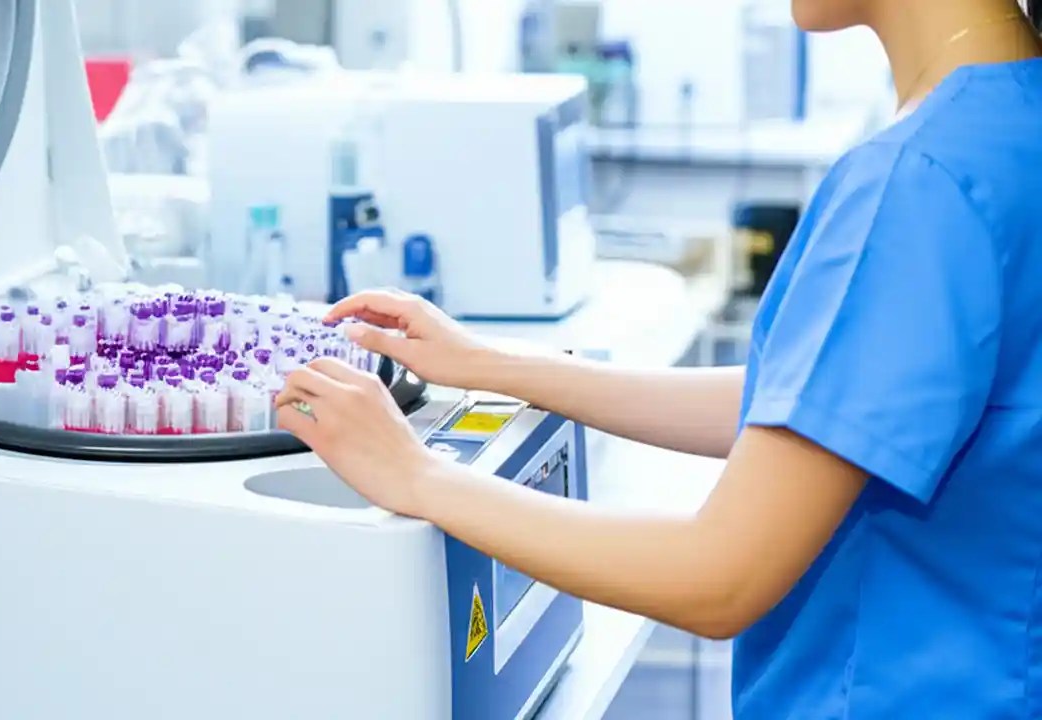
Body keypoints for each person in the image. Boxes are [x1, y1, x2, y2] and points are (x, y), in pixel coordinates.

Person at [275, 1, 1042, 716]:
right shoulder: (1008, 121)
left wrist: (416, 476)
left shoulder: (916, 179)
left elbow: (720, 576)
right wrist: (500, 364)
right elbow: (829, 403)